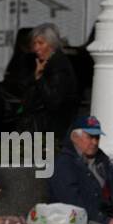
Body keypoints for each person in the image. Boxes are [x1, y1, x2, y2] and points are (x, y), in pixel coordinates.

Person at [24, 23, 78, 152]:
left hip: (52, 131)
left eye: (41, 43)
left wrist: (39, 79)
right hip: (44, 130)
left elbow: (53, 100)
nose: (36, 48)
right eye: (34, 44)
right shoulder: (45, 64)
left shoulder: (58, 66)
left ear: (52, 44)